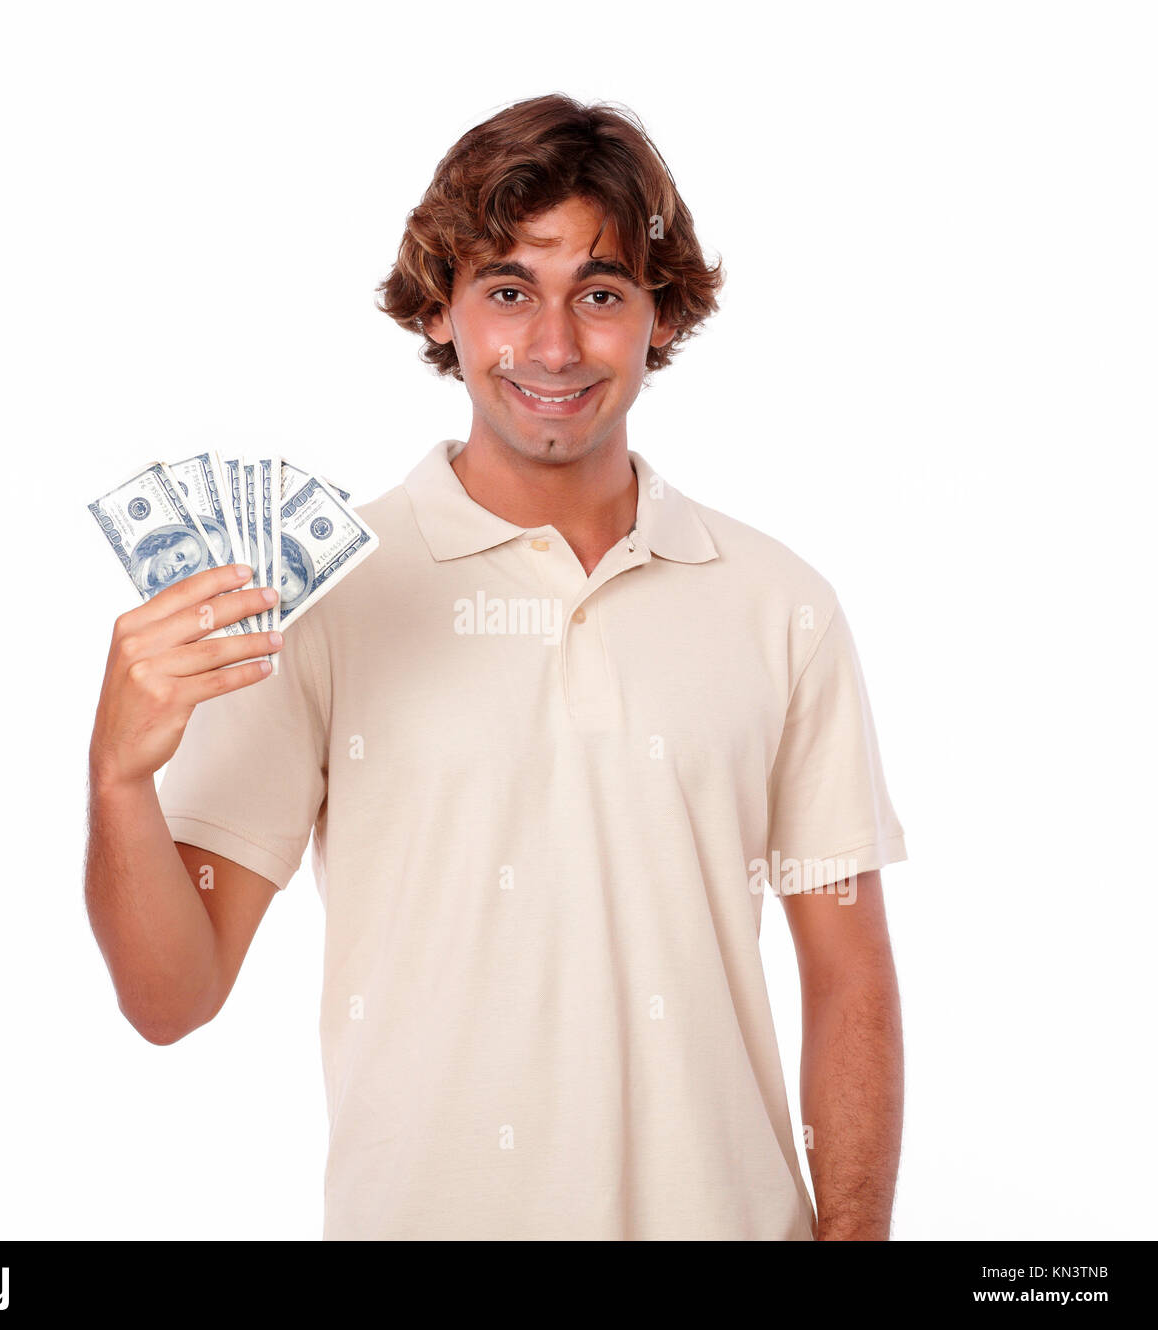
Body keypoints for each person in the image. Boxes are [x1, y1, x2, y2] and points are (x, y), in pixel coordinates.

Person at [85, 93, 908, 1241]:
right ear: (441, 312)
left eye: (603, 293)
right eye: (510, 291)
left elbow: (847, 967)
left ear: (659, 321)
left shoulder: (782, 607)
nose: (556, 346)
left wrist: (855, 1233)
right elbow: (170, 999)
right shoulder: (319, 604)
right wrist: (119, 780)